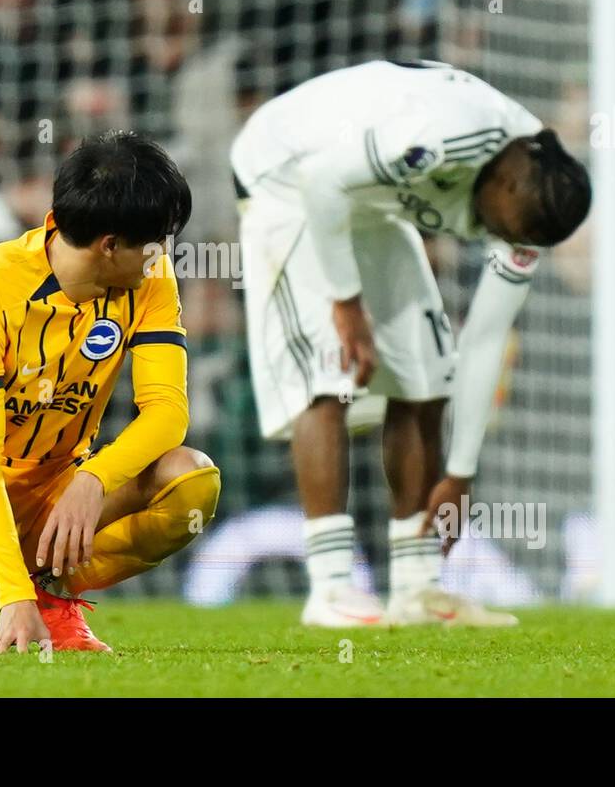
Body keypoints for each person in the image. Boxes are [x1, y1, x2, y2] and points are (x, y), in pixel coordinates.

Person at [231, 59, 591, 627]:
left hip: (368, 197)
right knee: (330, 369)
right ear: (506, 179)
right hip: (289, 172)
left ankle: (417, 585)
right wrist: (345, 305)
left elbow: (484, 342)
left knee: (426, 374)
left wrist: (462, 474)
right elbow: (323, 181)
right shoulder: (440, 137)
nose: (507, 241)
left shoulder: (531, 210)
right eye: (508, 227)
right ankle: (329, 587)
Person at [0, 131, 221, 653]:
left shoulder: (152, 280)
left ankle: (55, 595)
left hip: (55, 503)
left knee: (190, 481)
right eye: (156, 241)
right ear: (109, 245)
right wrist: (10, 596)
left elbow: (167, 411)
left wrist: (94, 479)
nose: (162, 254)